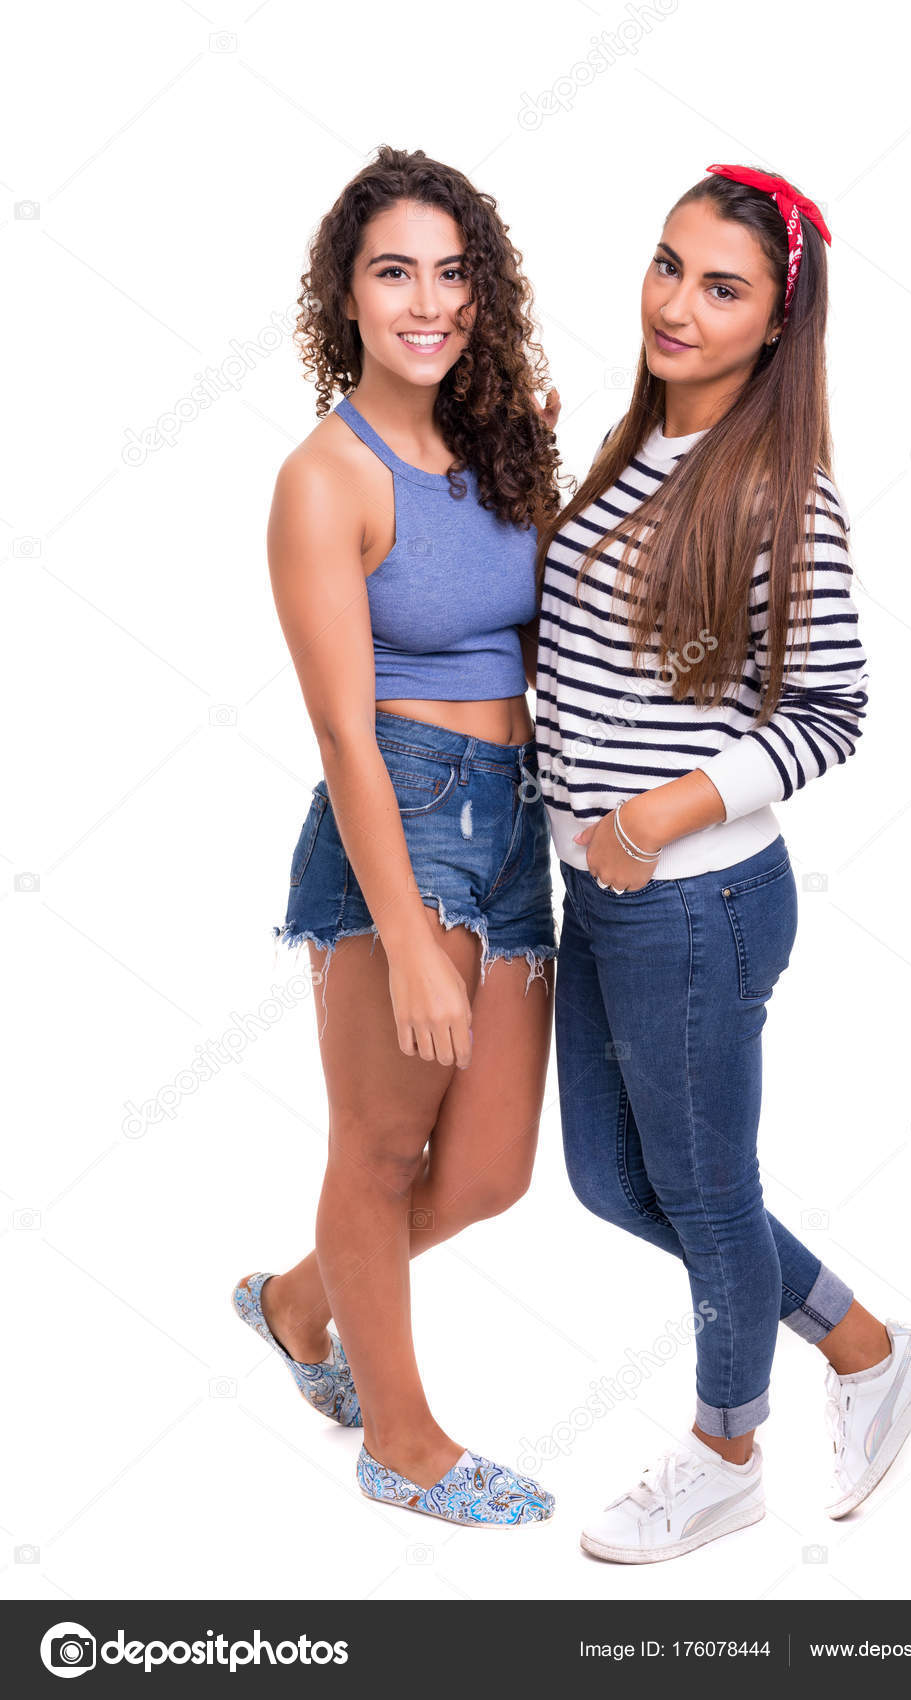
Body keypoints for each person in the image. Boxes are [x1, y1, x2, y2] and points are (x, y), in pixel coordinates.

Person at [534, 163, 911, 1564]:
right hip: (599, 897)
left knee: (710, 1195)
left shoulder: (787, 497)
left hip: (697, 903)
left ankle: (724, 1453)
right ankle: (866, 1344)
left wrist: (661, 815)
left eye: (723, 288)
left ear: (779, 322)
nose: (677, 305)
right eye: (668, 267)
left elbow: (833, 712)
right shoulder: (630, 446)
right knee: (613, 1183)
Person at [233, 146, 562, 1529]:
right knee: (376, 1152)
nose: (426, 300)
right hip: (402, 819)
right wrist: (412, 949)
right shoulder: (325, 476)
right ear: (347, 297)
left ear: (479, 293)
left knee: (487, 1171)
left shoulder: (501, 448)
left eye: (451, 272)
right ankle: (400, 1442)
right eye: (394, 272)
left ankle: (304, 1299)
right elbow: (344, 734)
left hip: (518, 818)